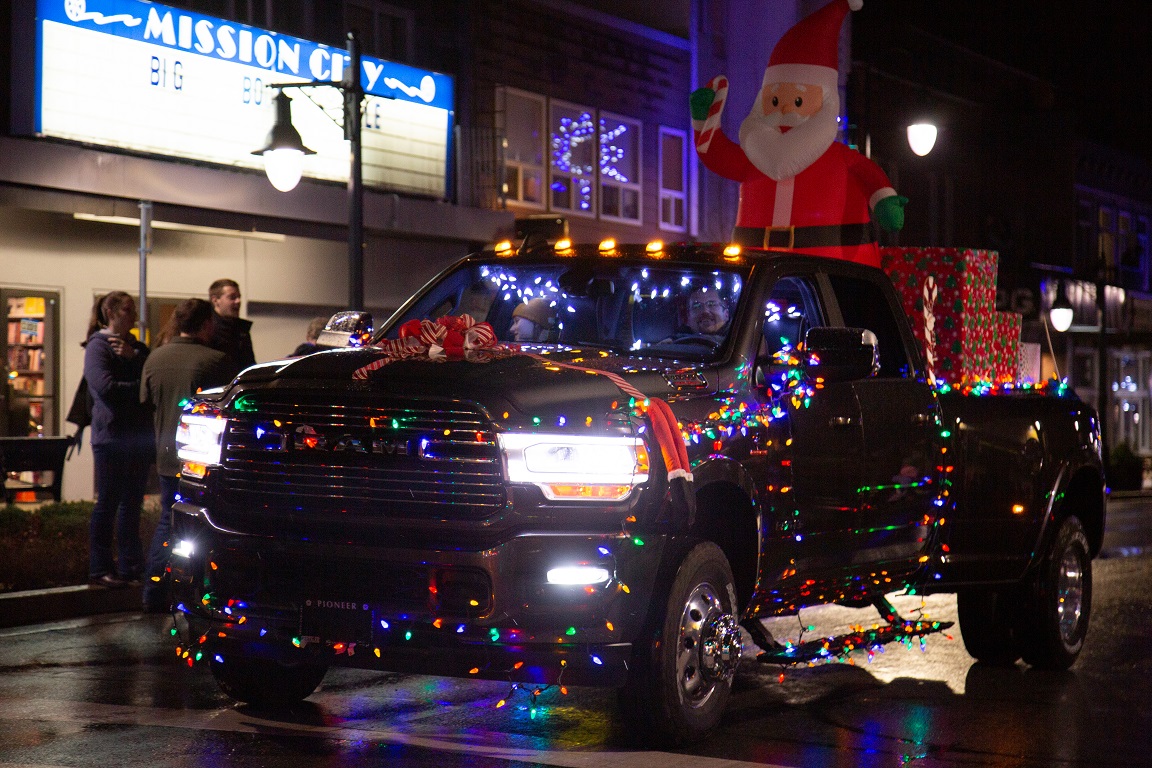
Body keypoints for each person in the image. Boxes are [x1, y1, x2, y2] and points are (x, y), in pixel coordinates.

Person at [689, 0, 906, 266]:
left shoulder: (841, 159)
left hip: (829, 267)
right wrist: (704, 120)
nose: (786, 108)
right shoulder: (757, 156)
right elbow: (718, 155)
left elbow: (869, 174)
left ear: (826, 102)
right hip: (757, 268)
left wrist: (884, 200)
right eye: (775, 100)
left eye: (799, 101)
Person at [139, 298, 230, 612]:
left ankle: (153, 592)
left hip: (166, 454)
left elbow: (146, 403)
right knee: (204, 527)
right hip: (202, 460)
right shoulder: (215, 361)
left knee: (167, 520)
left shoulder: (155, 358)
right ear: (206, 324)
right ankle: (193, 597)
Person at [82, 291, 153, 589]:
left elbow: (151, 376)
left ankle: (130, 566)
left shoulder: (137, 349)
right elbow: (105, 387)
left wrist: (133, 357)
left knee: (131, 503)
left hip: (136, 437)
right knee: (109, 502)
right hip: (111, 437)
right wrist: (138, 391)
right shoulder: (98, 347)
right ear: (111, 312)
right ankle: (99, 568)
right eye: (127, 309)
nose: (134, 315)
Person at [208, 278, 255, 378]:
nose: (238, 301)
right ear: (215, 300)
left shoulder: (242, 331)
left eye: (239, 297)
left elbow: (249, 366)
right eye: (232, 297)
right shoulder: (208, 330)